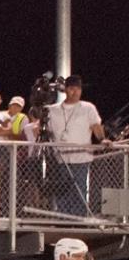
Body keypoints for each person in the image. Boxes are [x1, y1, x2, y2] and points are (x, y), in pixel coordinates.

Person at [42, 75, 106, 217]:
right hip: (60, 158)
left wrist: (102, 139)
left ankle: (78, 219)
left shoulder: (88, 107)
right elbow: (44, 129)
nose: (75, 92)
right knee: (61, 189)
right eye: (72, 88)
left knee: (79, 189)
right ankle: (64, 218)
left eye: (78, 89)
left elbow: (96, 126)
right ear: (65, 90)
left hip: (81, 156)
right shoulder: (53, 109)